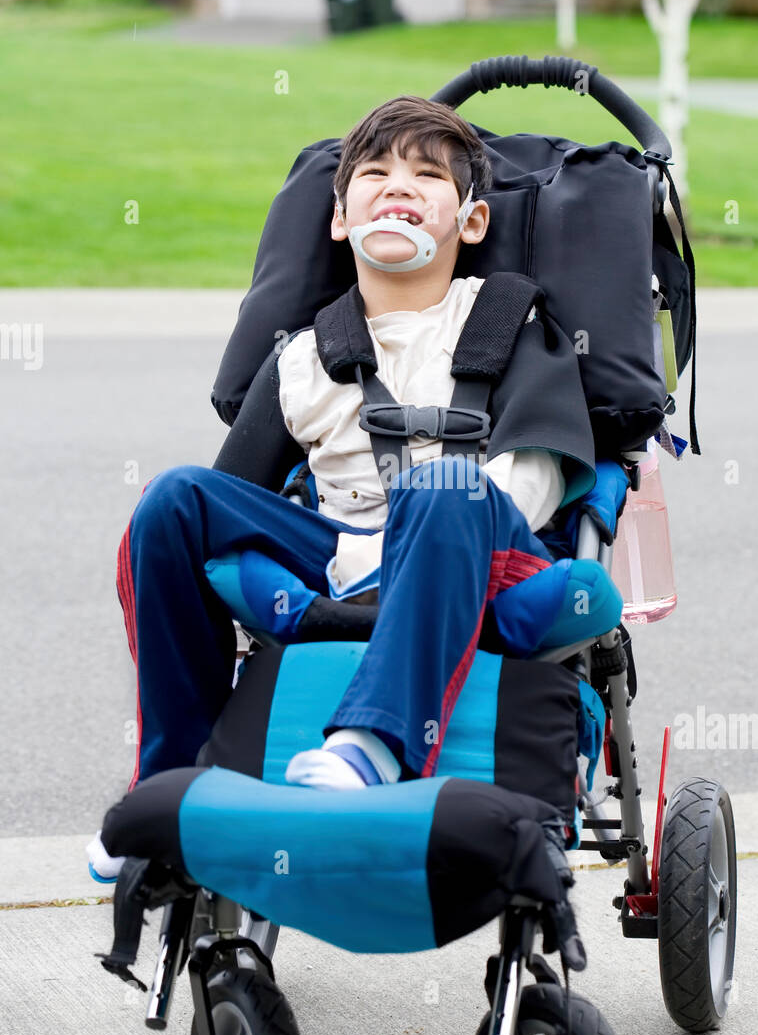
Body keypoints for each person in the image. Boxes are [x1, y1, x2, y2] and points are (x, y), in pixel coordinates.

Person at [88, 95, 610, 883]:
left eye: (428, 174)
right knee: (174, 501)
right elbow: (235, 501)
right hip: (336, 550)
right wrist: (349, 548)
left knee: (446, 484)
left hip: (484, 546)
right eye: (375, 172)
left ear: (470, 223)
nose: (399, 186)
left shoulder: (510, 318)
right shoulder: (301, 356)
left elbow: (539, 472)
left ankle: (373, 742)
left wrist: (407, 530)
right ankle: (171, 784)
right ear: (339, 218)